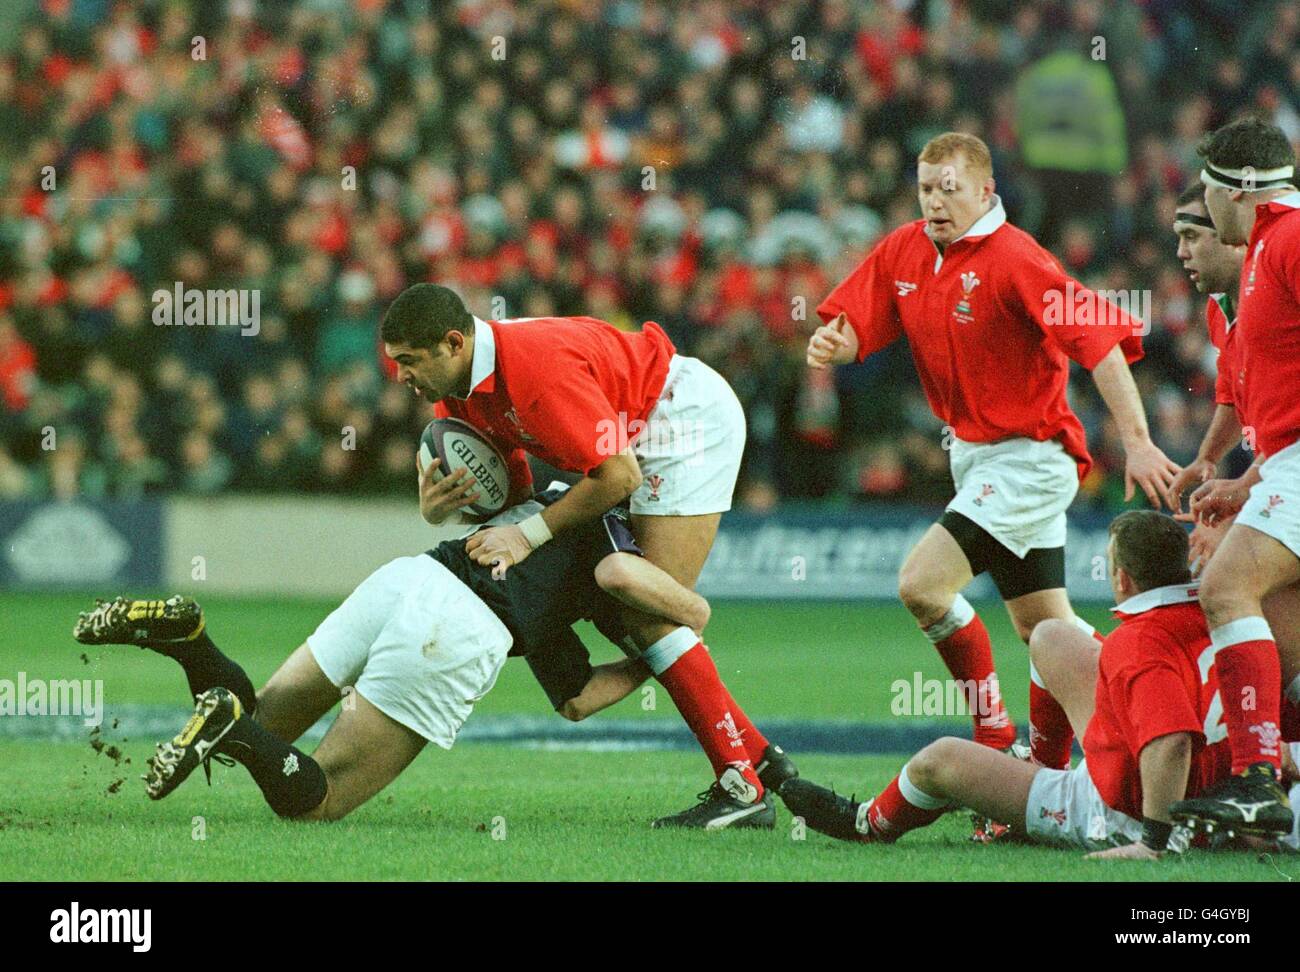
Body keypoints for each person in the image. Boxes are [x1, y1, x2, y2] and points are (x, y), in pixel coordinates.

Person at [73, 487, 795, 827]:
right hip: (457, 630)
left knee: (270, 728)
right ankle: (226, 726)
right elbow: (615, 586)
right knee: (317, 800)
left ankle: (192, 643)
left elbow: (571, 693)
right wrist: (685, 627)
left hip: (408, 577)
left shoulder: (548, 497)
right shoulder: (614, 531)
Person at [806, 132, 1179, 775]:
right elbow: (856, 325)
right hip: (976, 458)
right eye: (926, 188)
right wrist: (836, 345)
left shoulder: (1017, 259)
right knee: (1045, 629)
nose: (935, 202)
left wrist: (1139, 443)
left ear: (986, 191)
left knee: (922, 586)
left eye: (949, 189)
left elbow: (1102, 345)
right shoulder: (907, 250)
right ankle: (1085, 749)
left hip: (1030, 459)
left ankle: (995, 738)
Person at [383, 283, 771, 823]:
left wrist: (529, 537)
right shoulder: (460, 394)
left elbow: (617, 475)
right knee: (630, 604)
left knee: (644, 606)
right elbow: (511, 500)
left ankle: (743, 787)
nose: (401, 376)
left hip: (680, 419)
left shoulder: (535, 369)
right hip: (634, 434)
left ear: (453, 344)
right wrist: (436, 510)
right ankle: (754, 757)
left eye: (408, 361)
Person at [780, 511, 1300, 856]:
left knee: (939, 760)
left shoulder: (1139, 642)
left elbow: (1171, 744)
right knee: (1051, 634)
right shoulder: (1244, 616)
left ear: (1121, 579)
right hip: (1246, 786)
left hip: (1131, 807)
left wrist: (1156, 839)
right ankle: (1041, 765)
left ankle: (868, 823)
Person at [1172, 118, 1300, 835]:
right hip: (1281, 465)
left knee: (1225, 587)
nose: (1206, 212)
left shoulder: (1287, 239)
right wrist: (1248, 480)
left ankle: (1255, 780)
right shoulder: (1266, 247)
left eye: (1209, 197)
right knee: (1275, 637)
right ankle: (1261, 786)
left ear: (1236, 191)